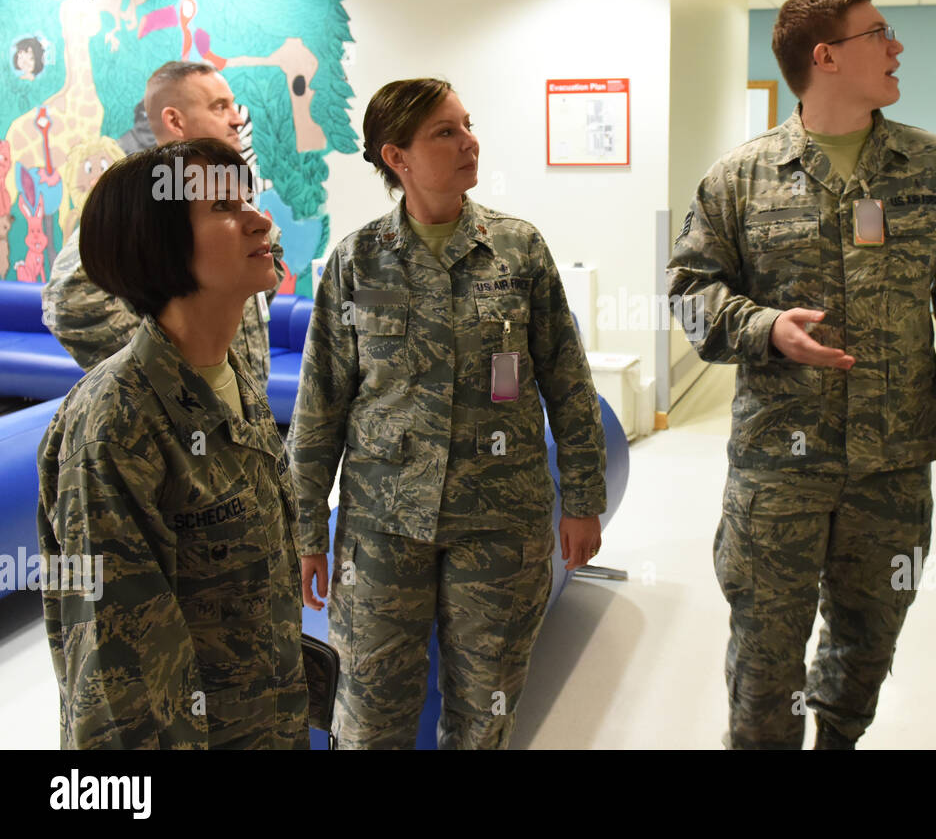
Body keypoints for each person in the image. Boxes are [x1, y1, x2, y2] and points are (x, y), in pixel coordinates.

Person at [666, 0, 936, 749]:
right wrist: (763, 328)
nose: (897, 48)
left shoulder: (934, 170)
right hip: (777, 471)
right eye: (880, 35)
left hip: (892, 466)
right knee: (765, 658)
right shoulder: (742, 178)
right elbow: (689, 296)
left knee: (867, 645)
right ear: (825, 57)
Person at [289, 78, 607, 749]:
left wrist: (582, 499)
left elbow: (569, 385)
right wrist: (307, 530)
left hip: (500, 518)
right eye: (446, 131)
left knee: (483, 712)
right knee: (369, 712)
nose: (470, 141)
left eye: (468, 124)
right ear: (396, 156)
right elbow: (319, 404)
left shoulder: (519, 250)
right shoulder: (356, 260)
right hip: (381, 525)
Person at [37, 139, 309, 749]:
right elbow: (118, 687)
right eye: (221, 208)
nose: (259, 219)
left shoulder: (232, 377)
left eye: (246, 199)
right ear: (158, 245)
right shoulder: (117, 425)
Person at [42, 61, 284, 388]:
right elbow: (70, 299)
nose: (238, 118)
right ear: (174, 120)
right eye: (219, 106)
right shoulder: (151, 197)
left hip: (240, 404)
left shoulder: (217, 183)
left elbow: (268, 258)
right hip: (179, 418)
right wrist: (169, 373)